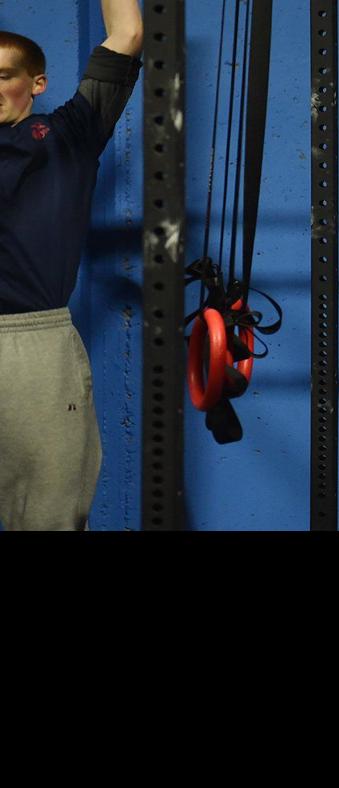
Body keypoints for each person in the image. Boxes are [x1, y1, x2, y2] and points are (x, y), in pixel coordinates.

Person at [1, 1, 143, 531]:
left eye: (3, 76)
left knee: (48, 517)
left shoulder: (67, 137)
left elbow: (126, 32)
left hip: (29, 344)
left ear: (35, 83)